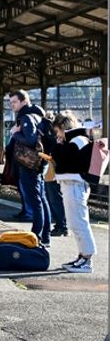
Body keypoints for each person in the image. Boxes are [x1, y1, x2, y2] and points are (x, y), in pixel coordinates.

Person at [51, 111, 98, 273]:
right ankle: (82, 255)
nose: (58, 135)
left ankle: (87, 258)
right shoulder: (76, 140)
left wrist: (57, 146)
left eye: (58, 132)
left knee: (80, 222)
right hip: (71, 184)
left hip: (76, 185)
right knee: (74, 223)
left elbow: (63, 160)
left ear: (64, 127)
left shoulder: (77, 141)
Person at [8, 90, 51, 248]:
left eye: (14, 102)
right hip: (38, 164)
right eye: (10, 102)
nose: (11, 105)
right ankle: (45, 235)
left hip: (28, 165)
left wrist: (14, 134)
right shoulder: (37, 115)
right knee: (41, 199)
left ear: (24, 101)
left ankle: (37, 236)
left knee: (36, 201)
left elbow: (30, 140)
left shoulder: (26, 117)